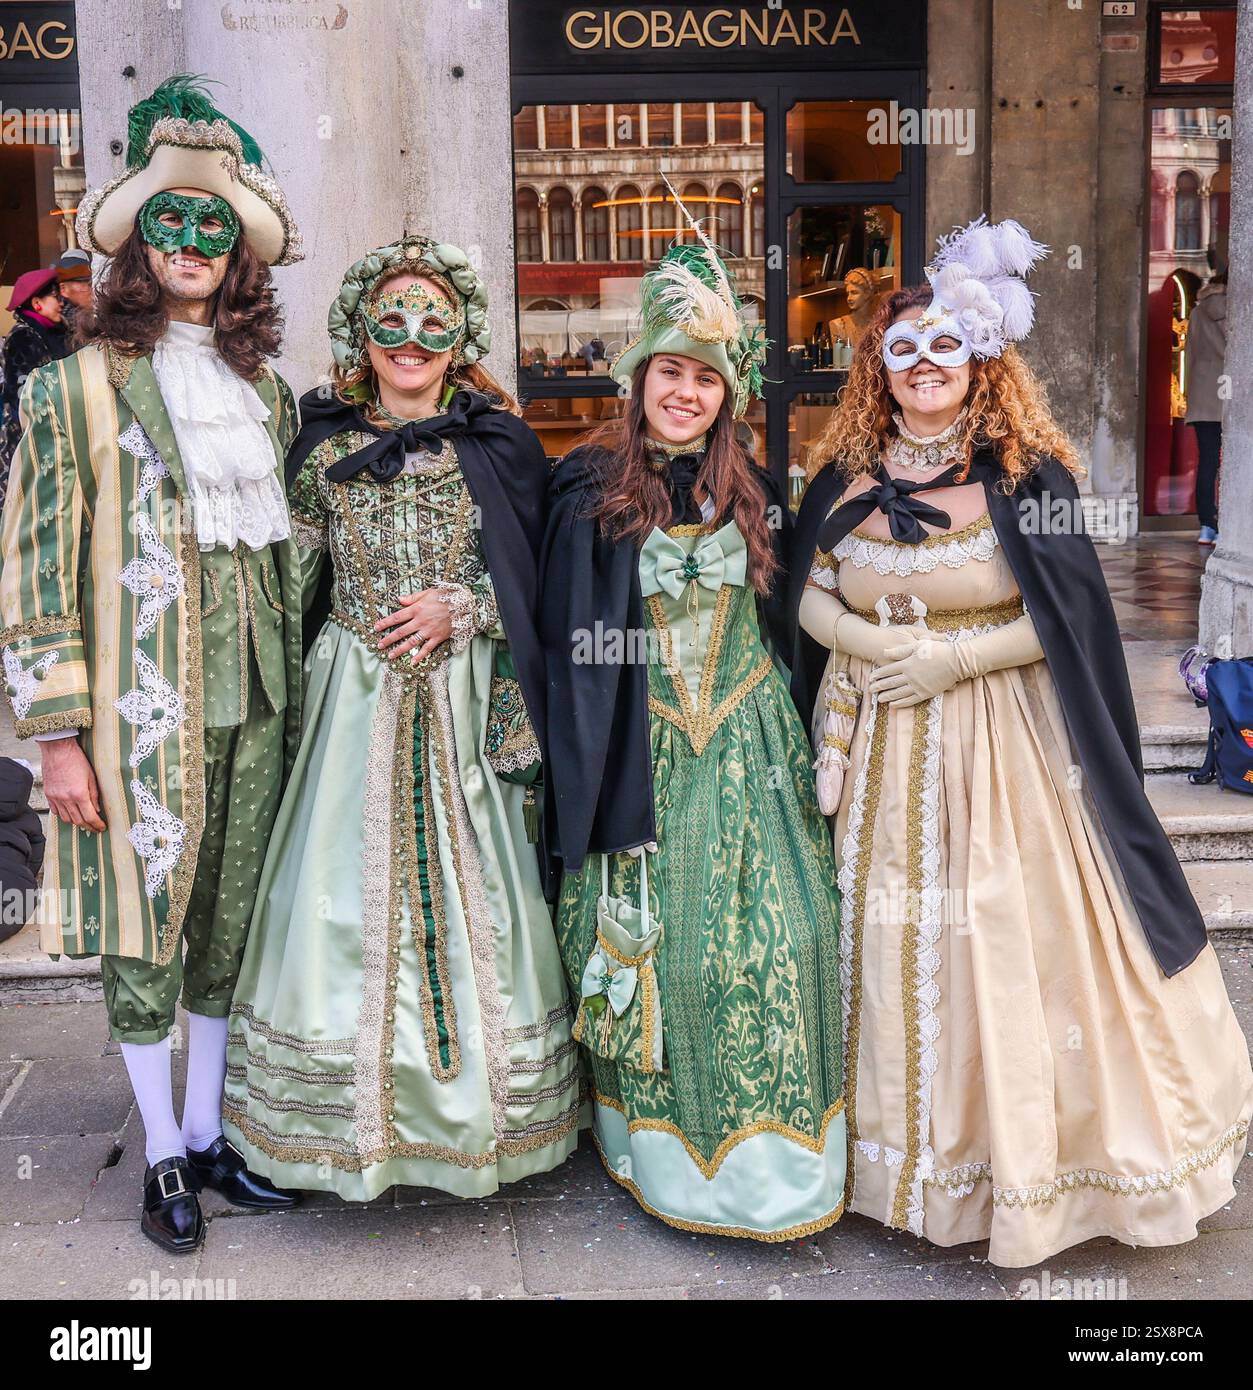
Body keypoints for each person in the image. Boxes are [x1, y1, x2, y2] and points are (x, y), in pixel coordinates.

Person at [792, 215, 1253, 1268]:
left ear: (978, 357)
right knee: (890, 946)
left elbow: (1064, 617)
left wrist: (953, 660)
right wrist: (869, 639)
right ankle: (895, 1166)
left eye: (942, 348)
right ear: (878, 370)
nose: (921, 369)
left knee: (1001, 938)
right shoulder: (845, 478)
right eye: (900, 352)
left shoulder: (1026, 474)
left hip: (1003, 746)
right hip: (876, 755)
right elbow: (809, 595)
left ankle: (1027, 1176)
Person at [0, 76, 307, 1253]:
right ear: (133, 241)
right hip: (141, 709)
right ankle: (162, 1153)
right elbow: (32, 567)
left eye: (213, 226)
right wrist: (58, 732)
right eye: (170, 222)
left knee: (226, 924)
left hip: (260, 699)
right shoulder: (68, 387)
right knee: (143, 926)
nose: (191, 242)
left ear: (240, 259)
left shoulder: (267, 395)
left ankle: (207, 1126)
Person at [223, 235, 578, 1199]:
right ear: (360, 334)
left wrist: (461, 609)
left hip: (462, 695)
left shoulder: (500, 443)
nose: (411, 339)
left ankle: (476, 1120)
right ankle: (333, 1125)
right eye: (392, 321)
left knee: (482, 897)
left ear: (461, 335)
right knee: (334, 893)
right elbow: (282, 580)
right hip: (354, 700)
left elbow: (544, 580)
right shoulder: (323, 444)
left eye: (432, 323)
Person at [541, 191, 845, 1240]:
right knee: (666, 952)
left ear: (728, 395)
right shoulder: (586, 485)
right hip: (648, 744)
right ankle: (660, 1155)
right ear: (639, 380)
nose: (684, 392)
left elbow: (803, 616)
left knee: (790, 936)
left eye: (704, 378)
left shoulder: (757, 489)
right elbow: (557, 637)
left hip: (752, 743)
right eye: (669, 371)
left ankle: (783, 1163)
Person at [1, 268, 70, 502]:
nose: (62, 302)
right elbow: (24, 396)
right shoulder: (22, 338)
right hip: (29, 438)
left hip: (56, 433)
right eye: (56, 297)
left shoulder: (59, 332)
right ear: (37, 303)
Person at [1184, 265, 1227, 545]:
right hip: (1228, 395)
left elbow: (1189, 355)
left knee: (1208, 463)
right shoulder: (1237, 310)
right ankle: (1228, 524)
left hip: (1201, 397)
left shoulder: (1197, 311)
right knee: (1234, 463)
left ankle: (1206, 525)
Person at [829, 266, 879, 349]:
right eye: (848, 293)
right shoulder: (839, 325)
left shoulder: (879, 324)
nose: (849, 298)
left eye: (854, 293)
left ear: (867, 294)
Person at [54, 249, 94, 333]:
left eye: (92, 283)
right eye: (85, 284)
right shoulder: (62, 322)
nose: (92, 290)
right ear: (63, 289)